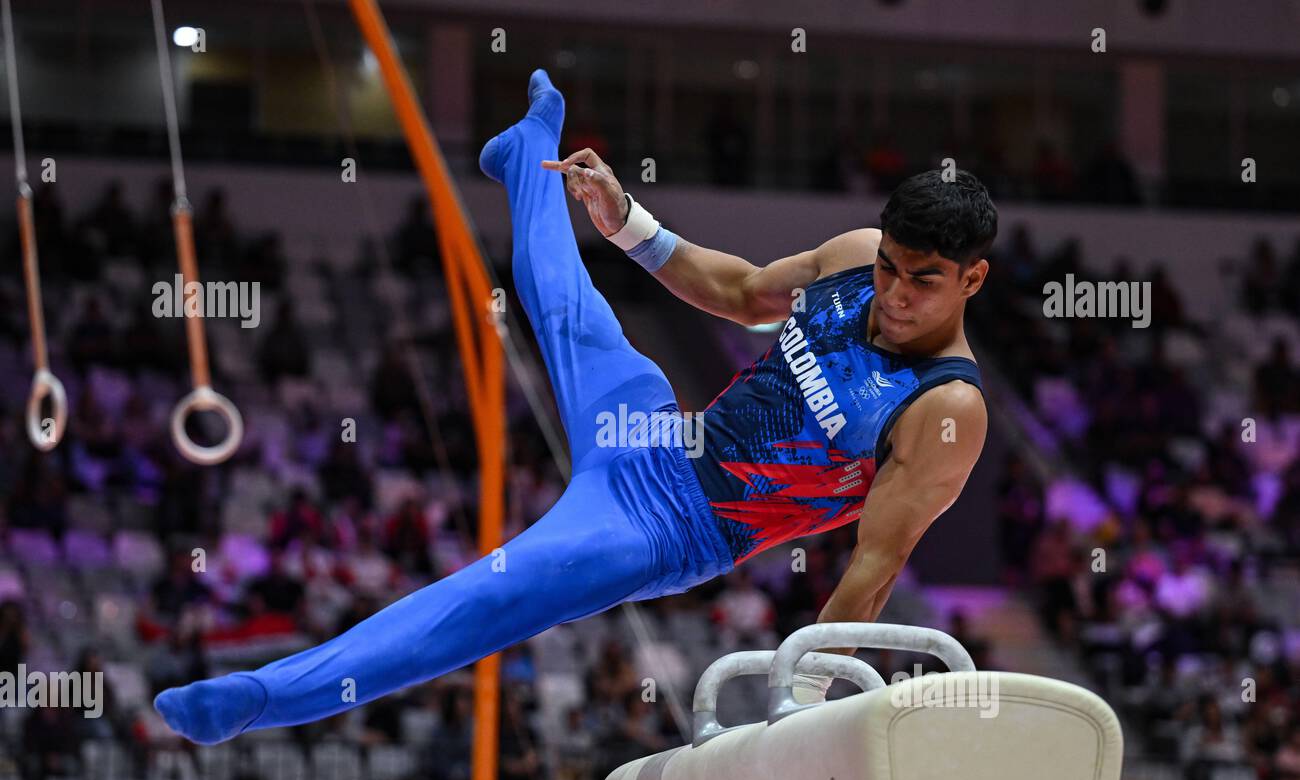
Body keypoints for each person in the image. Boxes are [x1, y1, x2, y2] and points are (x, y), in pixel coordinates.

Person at [155, 70, 992, 745]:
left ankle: (259, 697)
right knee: (560, 305)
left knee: (481, 604)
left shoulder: (944, 408)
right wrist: (627, 222)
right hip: (656, 431)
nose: (893, 292)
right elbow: (740, 293)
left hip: (662, 529)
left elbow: (872, 572)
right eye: (889, 266)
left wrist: (800, 703)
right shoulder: (849, 261)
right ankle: (528, 153)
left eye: (922, 280)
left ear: (971, 280)